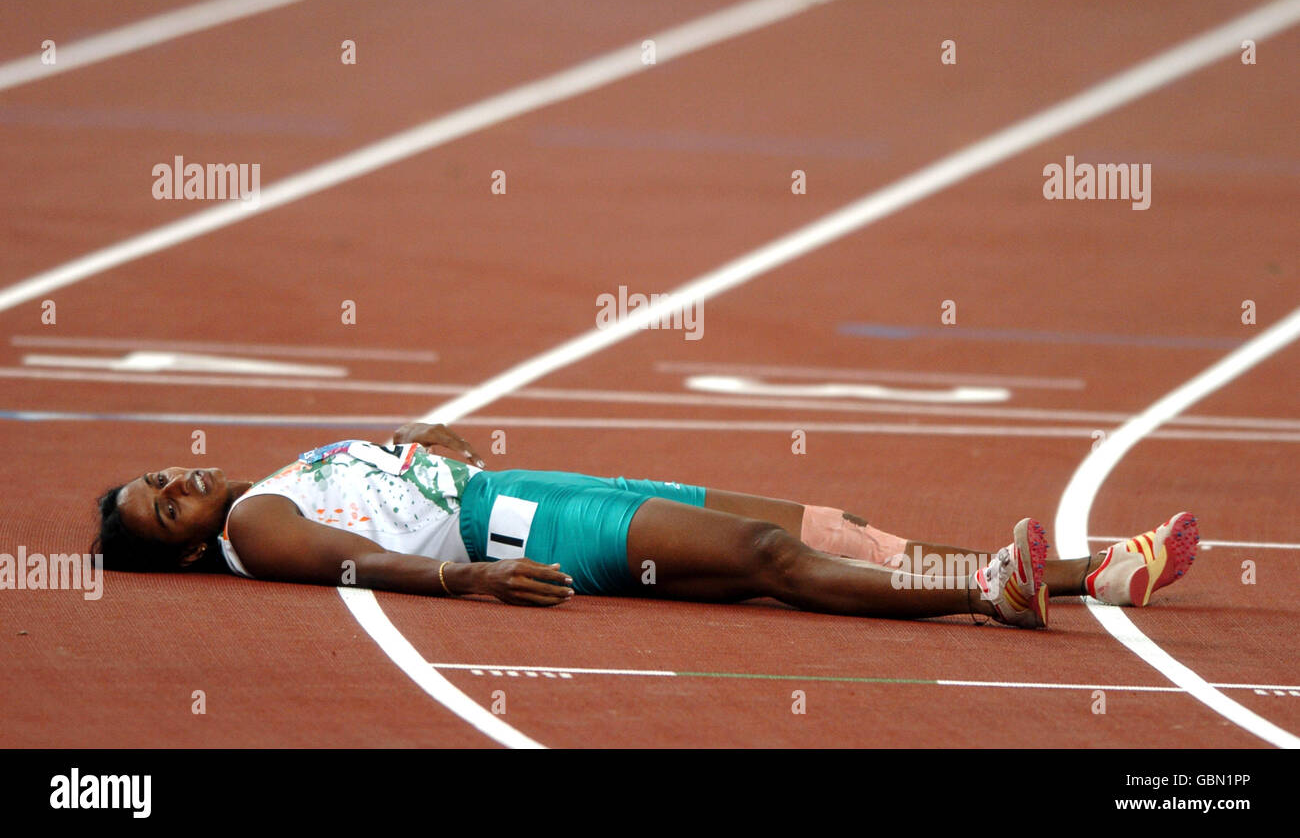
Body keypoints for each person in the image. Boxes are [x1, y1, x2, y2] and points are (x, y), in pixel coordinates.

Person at [93, 422, 1199, 629]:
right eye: (167, 505)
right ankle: (986, 592)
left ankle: (1086, 573)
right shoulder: (260, 526)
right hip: (520, 529)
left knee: (825, 523)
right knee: (773, 557)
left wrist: (419, 444)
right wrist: (463, 583)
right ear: (189, 547)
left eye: (161, 475)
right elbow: (356, 558)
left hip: (519, 490)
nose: (180, 481)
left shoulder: (270, 478)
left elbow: (383, 495)